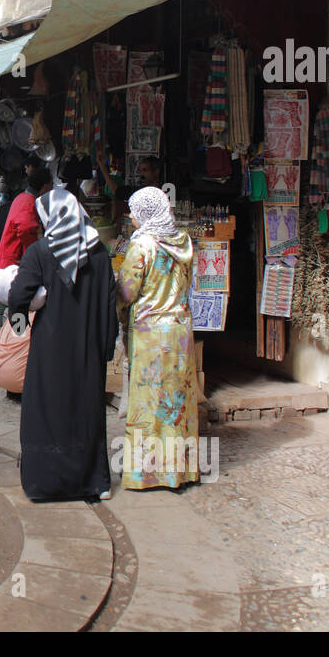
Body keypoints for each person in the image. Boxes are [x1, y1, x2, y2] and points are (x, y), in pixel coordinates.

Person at [7, 187, 117, 501]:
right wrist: (106, 348)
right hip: (89, 347)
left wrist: (20, 327)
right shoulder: (99, 253)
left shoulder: (41, 252)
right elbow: (109, 305)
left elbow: (18, 297)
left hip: (50, 349)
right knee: (87, 410)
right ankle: (95, 482)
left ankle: (46, 482)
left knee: (46, 409)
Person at [115, 187, 200, 491]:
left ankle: (147, 473)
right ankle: (180, 471)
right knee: (177, 403)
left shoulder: (143, 247)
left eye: (135, 211)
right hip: (179, 331)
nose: (131, 216)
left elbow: (126, 292)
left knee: (149, 404)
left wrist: (121, 316)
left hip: (150, 335)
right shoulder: (184, 242)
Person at [0, 167, 52, 272]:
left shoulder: (24, 197)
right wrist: (36, 254)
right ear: (45, 187)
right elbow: (25, 229)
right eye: (51, 185)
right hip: (13, 264)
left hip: (12, 262)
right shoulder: (28, 201)